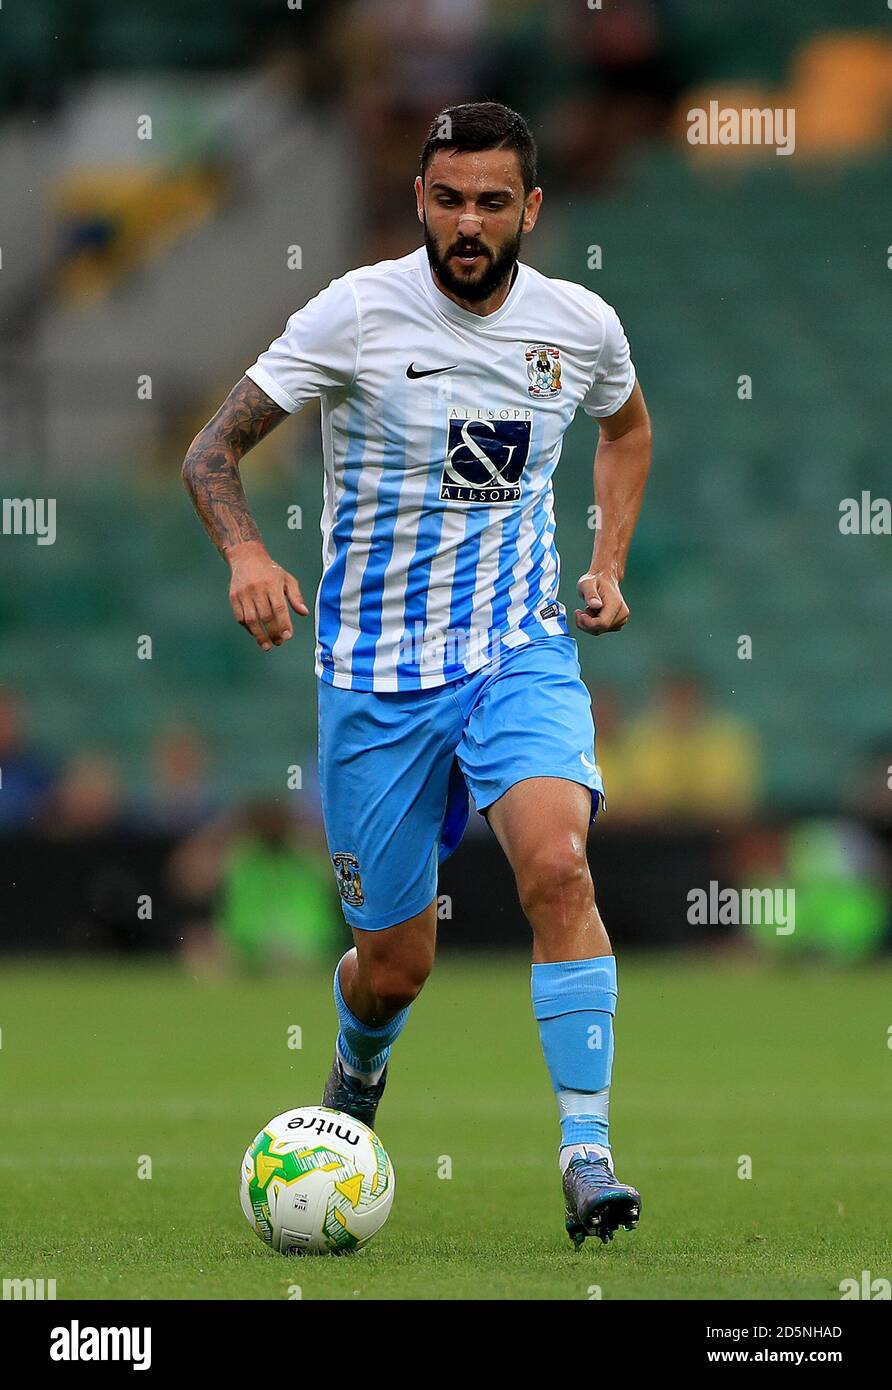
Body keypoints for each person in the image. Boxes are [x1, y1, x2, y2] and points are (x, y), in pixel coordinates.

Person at [182, 102, 652, 1248]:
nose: (469, 222)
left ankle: (586, 1153)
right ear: (421, 200)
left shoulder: (579, 326)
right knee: (394, 967)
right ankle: (358, 1068)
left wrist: (602, 564)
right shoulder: (354, 312)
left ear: (531, 209)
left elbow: (627, 430)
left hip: (516, 655)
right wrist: (247, 551)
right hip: (376, 681)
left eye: (494, 201)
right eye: (449, 198)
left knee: (557, 866)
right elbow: (212, 450)